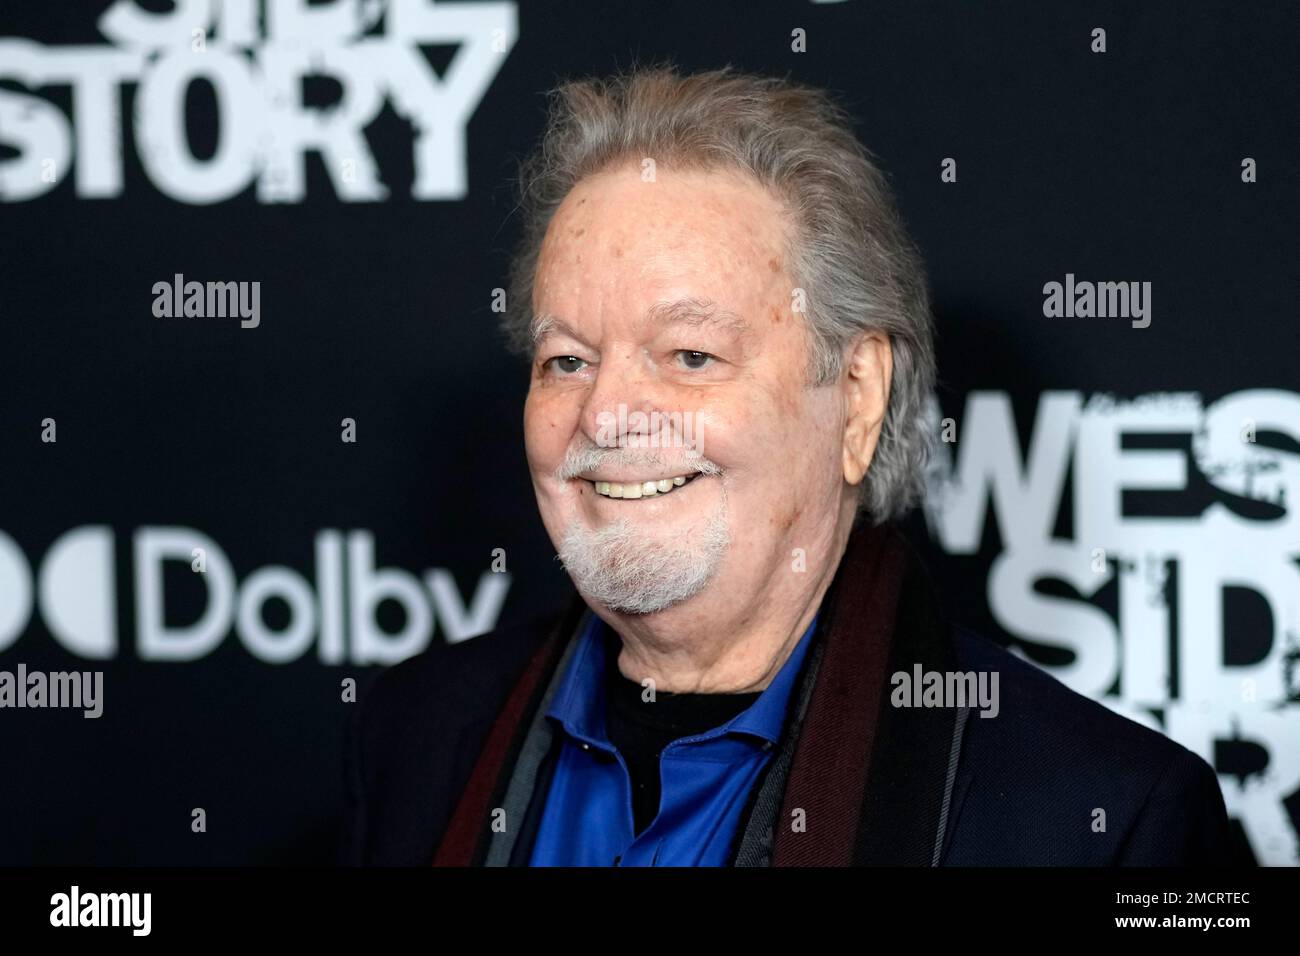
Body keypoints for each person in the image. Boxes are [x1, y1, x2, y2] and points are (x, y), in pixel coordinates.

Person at [339, 63, 1231, 866]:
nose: (605, 416)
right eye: (566, 360)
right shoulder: (419, 737)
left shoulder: (1106, 821)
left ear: (858, 395)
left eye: (689, 356)